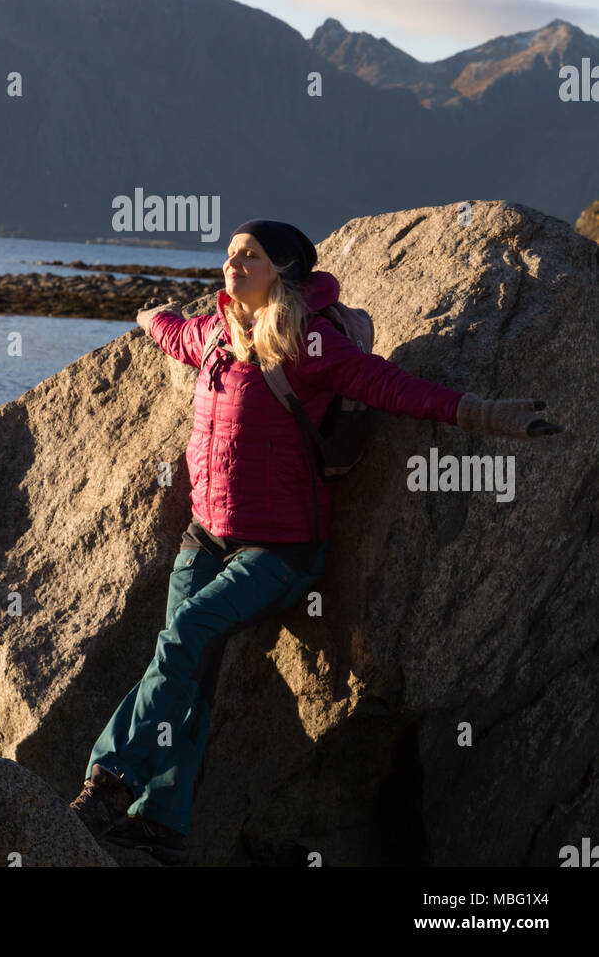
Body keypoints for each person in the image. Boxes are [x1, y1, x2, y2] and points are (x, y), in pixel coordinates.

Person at [68, 218, 562, 865]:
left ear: (282, 271)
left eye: (249, 256)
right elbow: (170, 332)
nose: (232, 265)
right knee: (191, 665)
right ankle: (161, 824)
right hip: (205, 535)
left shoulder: (311, 343)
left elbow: (393, 387)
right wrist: (147, 314)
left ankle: (106, 784)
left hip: (282, 551)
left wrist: (486, 414)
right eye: (229, 255)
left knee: (186, 637)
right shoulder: (214, 332)